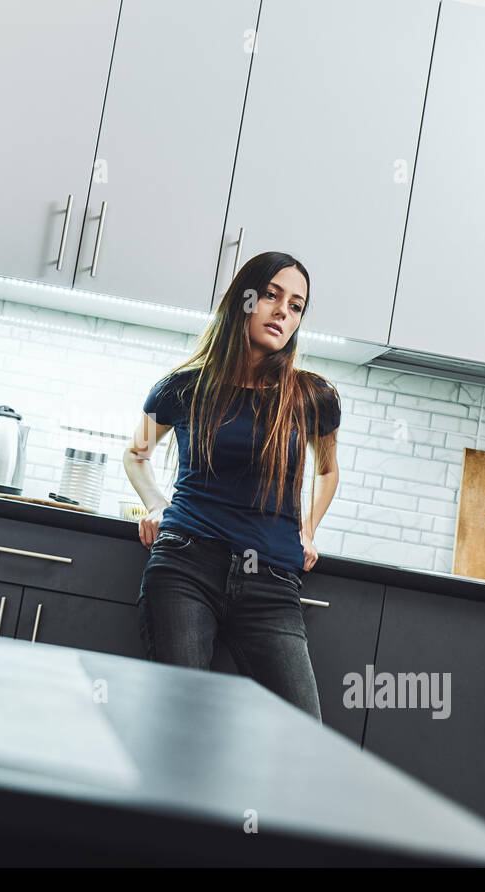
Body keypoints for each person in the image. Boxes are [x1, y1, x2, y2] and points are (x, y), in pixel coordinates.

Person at [122, 251, 340, 720]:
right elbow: (136, 453)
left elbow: (326, 469)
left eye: (296, 305)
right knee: (178, 720)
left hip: (273, 583)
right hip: (186, 566)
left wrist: (309, 527)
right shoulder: (181, 389)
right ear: (242, 300)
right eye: (270, 295)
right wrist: (156, 503)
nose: (283, 311)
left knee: (303, 731)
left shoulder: (313, 396)